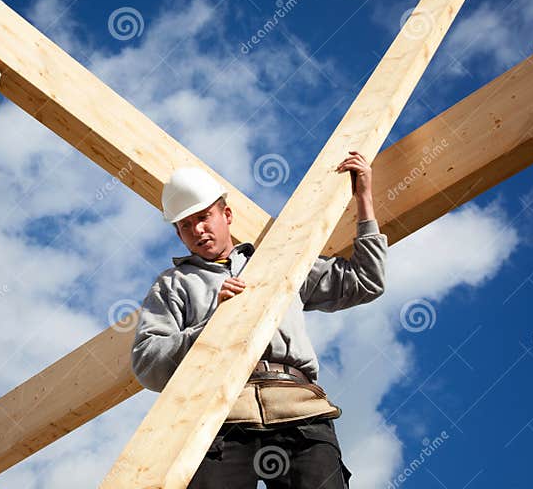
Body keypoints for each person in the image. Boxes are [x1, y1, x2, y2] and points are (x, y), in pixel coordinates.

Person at [131, 151, 387, 488]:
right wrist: (212, 327)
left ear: (227, 214)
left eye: (204, 216)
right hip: (220, 423)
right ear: (179, 234)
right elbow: (148, 363)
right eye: (186, 225)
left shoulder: (279, 260)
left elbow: (366, 281)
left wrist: (364, 200)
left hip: (299, 411)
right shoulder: (173, 284)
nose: (198, 229)